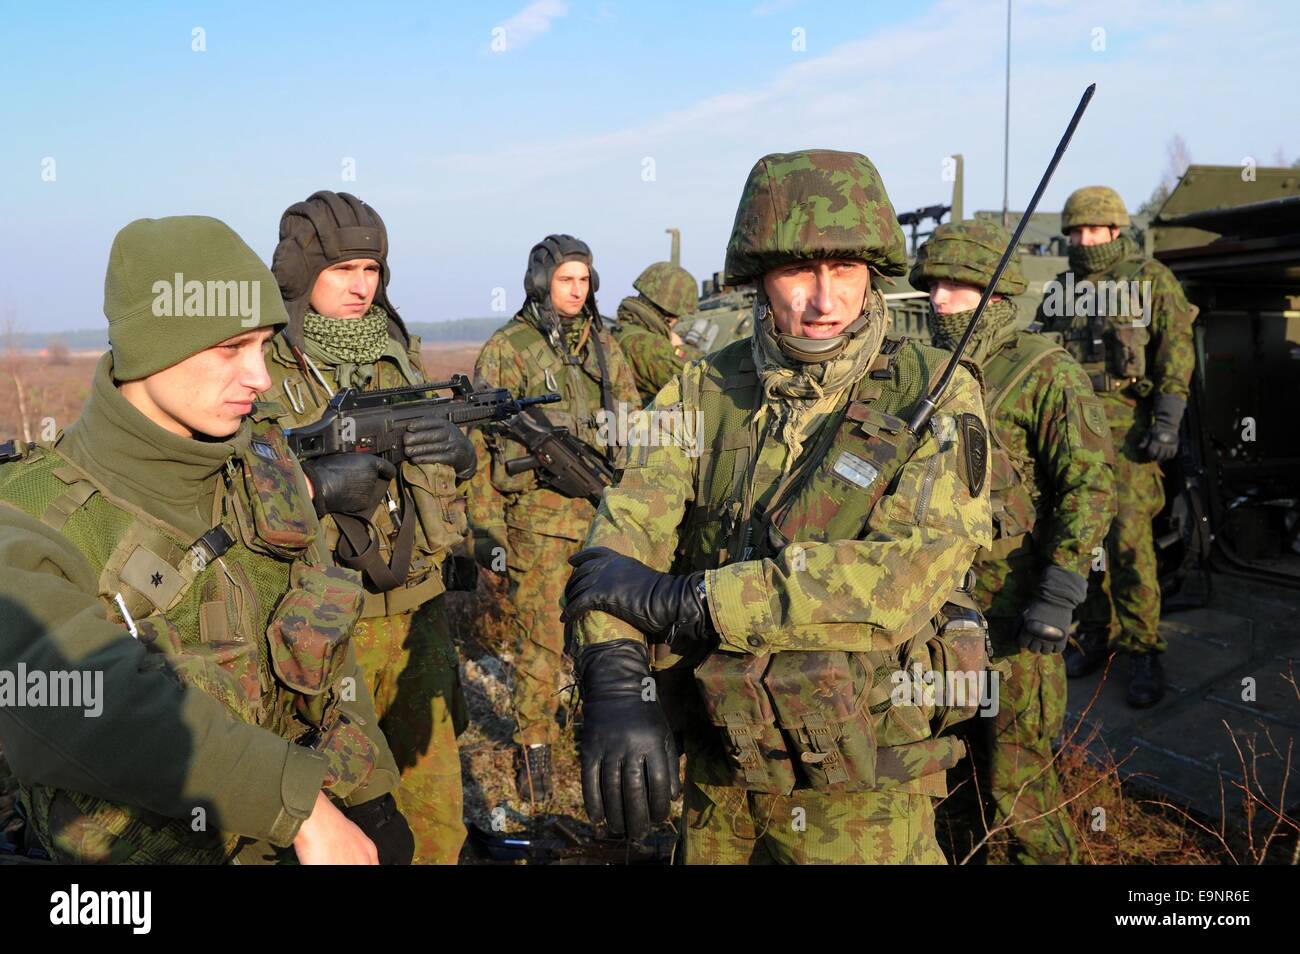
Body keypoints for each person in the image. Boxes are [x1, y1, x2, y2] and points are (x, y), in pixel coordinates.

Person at [562, 150, 993, 864]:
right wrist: (612, 671)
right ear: (760, 278)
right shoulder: (706, 387)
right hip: (718, 762)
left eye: (846, 270)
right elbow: (625, 529)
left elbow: (902, 578)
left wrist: (694, 602)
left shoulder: (936, 391)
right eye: (799, 272)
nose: (826, 301)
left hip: (858, 785)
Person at [0, 215, 406, 864]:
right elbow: (83, 703)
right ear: (149, 349)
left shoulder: (260, 463)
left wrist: (371, 794)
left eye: (264, 345)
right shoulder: (29, 515)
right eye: (230, 349)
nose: (261, 377)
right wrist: (300, 806)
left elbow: (323, 635)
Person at [262, 191, 475, 864]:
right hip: (319, 626)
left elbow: (432, 471)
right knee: (343, 822)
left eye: (372, 270)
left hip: (416, 611)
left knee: (436, 810)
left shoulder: (396, 352)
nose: (361, 287)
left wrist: (461, 457)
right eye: (343, 269)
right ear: (299, 274)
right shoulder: (261, 366)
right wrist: (317, 487)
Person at [912, 219, 1116, 863]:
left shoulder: (1044, 372)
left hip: (1013, 618)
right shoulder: (922, 373)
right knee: (943, 781)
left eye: (955, 288)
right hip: (933, 615)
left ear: (995, 296)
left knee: (1018, 783)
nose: (938, 300)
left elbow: (1088, 486)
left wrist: (1059, 593)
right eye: (933, 286)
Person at [467, 235, 639, 800]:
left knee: (603, 636)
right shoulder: (509, 348)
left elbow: (632, 426)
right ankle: (535, 749)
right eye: (566, 279)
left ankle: (595, 734)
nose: (577, 290)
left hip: (601, 518)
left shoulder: (604, 347)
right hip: (535, 526)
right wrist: (486, 538)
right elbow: (481, 448)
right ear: (542, 281)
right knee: (540, 646)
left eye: (584, 280)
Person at [1038, 187, 1198, 708]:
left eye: (1094, 230)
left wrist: (1168, 421)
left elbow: (1176, 349)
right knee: (1082, 542)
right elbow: (1038, 357)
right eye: (1076, 232)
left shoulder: (1149, 279)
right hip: (1074, 438)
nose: (1085, 240)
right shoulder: (1063, 289)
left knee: (1130, 548)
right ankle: (1093, 635)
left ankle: (1142, 650)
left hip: (1129, 436)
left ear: (1115, 229)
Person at [610, 261, 700, 404]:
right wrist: (680, 348)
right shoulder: (650, 344)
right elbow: (696, 384)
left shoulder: (624, 329)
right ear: (671, 314)